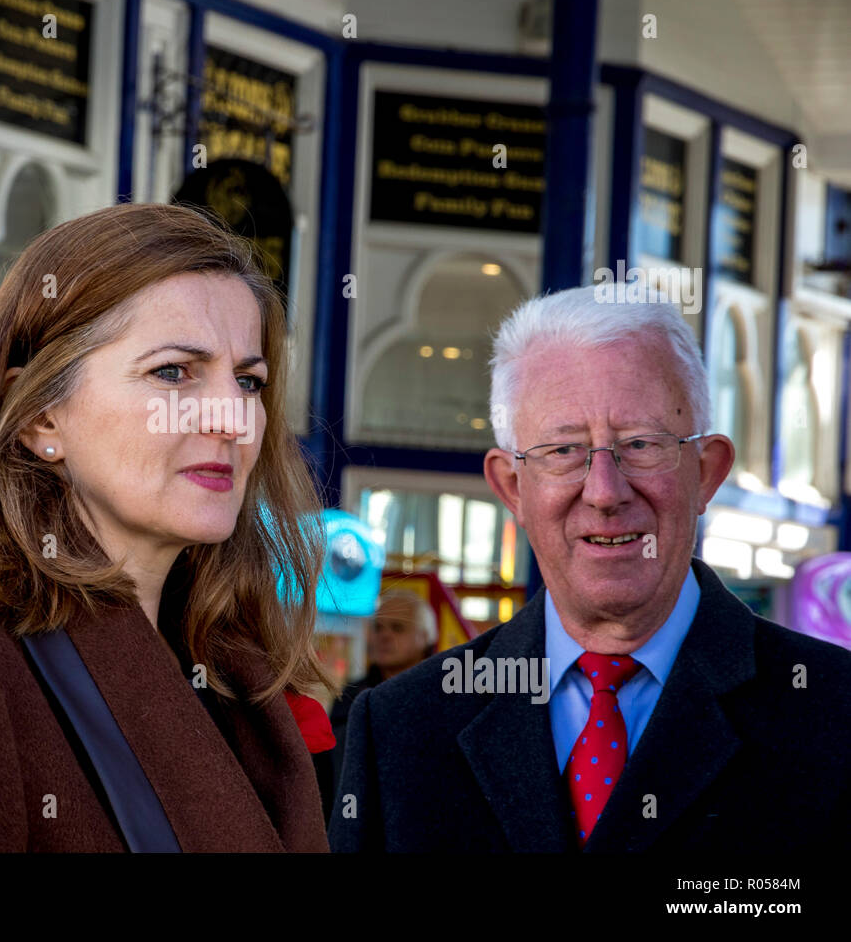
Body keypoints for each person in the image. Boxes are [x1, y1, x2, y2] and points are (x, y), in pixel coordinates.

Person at [0, 203, 334, 852]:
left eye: (248, 381)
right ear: (42, 418)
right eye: (173, 372)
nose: (232, 420)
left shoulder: (233, 674)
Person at [331, 286, 851, 852]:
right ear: (512, 487)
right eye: (562, 451)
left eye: (641, 444)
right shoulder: (400, 729)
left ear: (706, 473)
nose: (604, 492)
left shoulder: (833, 712)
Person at [328, 589, 435, 790]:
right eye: (378, 627)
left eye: (397, 628)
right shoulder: (351, 696)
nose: (385, 635)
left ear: (425, 637)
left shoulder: (442, 697)